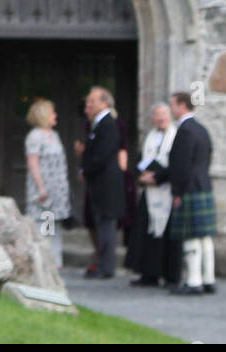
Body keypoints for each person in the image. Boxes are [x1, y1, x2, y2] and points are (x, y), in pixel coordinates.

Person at [163, 92, 216, 296]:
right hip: (203, 184)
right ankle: (208, 279)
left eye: (173, 105)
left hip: (189, 187)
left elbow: (181, 165)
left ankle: (194, 281)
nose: (171, 110)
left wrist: (177, 191)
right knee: (205, 237)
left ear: (182, 106)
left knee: (192, 235)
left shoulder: (184, 130)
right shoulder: (202, 129)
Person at [125, 102, 180, 287]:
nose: (160, 118)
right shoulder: (150, 137)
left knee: (168, 235)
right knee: (147, 232)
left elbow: (177, 163)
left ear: (169, 116)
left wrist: (157, 177)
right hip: (150, 192)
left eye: (163, 114)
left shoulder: (176, 136)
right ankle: (149, 274)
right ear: (152, 118)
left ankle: (170, 276)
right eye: (156, 115)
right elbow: (141, 160)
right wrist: (143, 176)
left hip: (167, 191)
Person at [76, 86, 125, 279]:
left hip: (106, 183)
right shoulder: (98, 124)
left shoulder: (108, 124)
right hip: (99, 183)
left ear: (105, 103)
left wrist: (86, 171)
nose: (88, 105)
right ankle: (103, 263)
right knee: (101, 223)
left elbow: (103, 155)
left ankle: (106, 266)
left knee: (106, 225)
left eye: (92, 101)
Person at [24, 99, 71, 268]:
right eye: (52, 112)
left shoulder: (54, 135)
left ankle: (54, 261)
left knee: (54, 225)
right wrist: (41, 187)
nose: (55, 115)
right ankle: (43, 261)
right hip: (43, 188)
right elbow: (33, 162)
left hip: (57, 188)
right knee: (43, 224)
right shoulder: (35, 136)